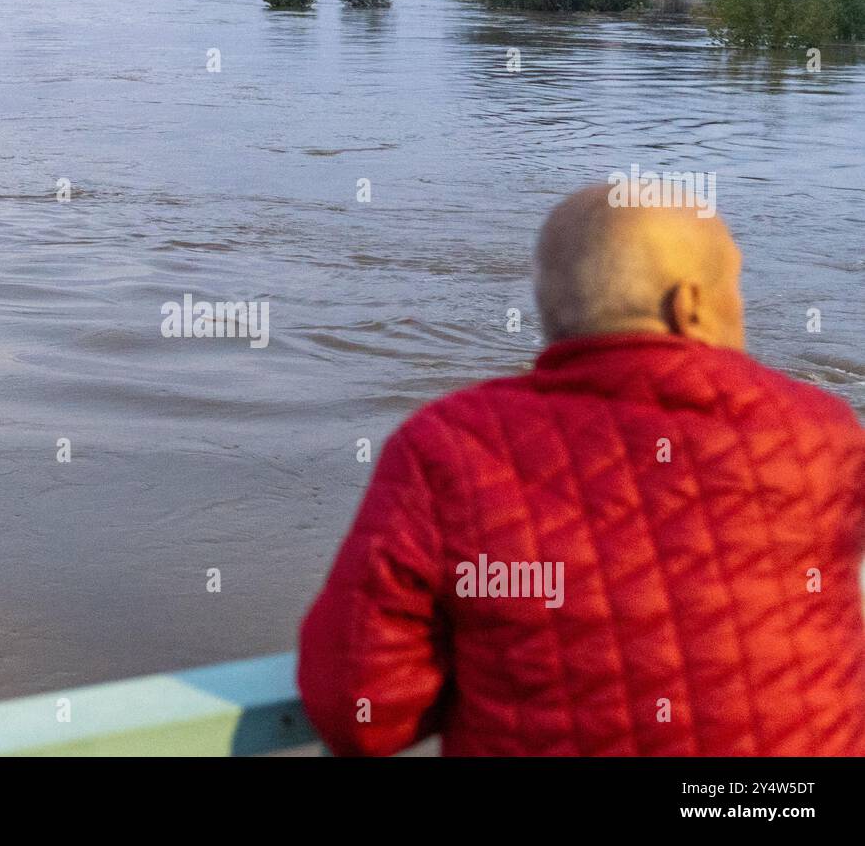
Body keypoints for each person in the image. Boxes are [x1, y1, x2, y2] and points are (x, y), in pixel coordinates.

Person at [298, 183, 865, 756]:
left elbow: (359, 712)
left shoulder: (445, 447)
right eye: (735, 287)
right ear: (688, 306)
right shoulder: (822, 432)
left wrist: (496, 659)